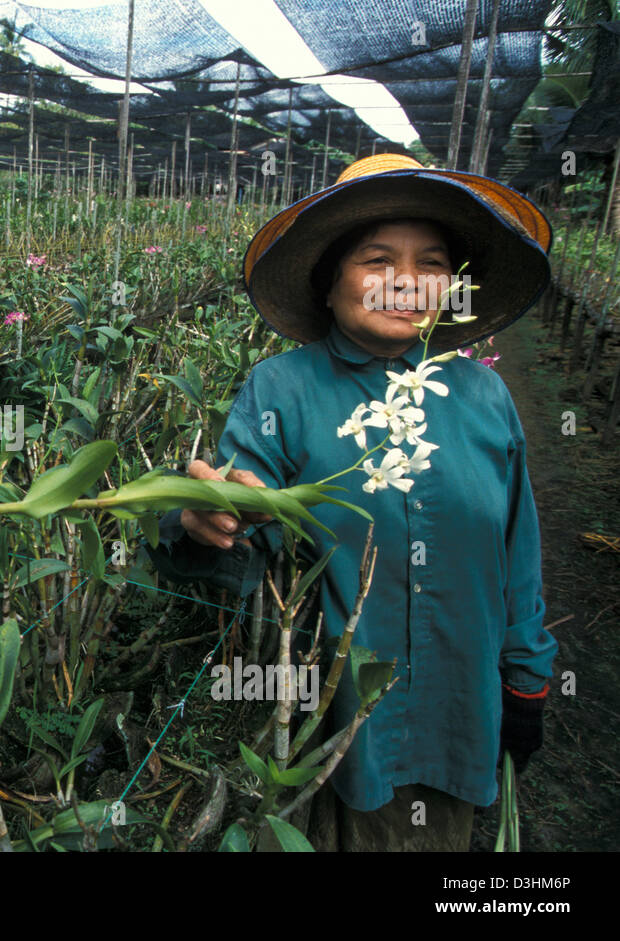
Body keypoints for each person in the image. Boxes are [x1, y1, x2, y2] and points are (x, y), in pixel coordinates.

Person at [147, 153, 558, 851]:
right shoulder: (284, 388)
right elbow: (238, 516)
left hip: (462, 700)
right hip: (331, 718)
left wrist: (527, 677)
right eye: (376, 258)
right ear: (330, 280)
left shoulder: (484, 397)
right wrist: (205, 516)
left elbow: (517, 551)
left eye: (430, 262)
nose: (405, 280)